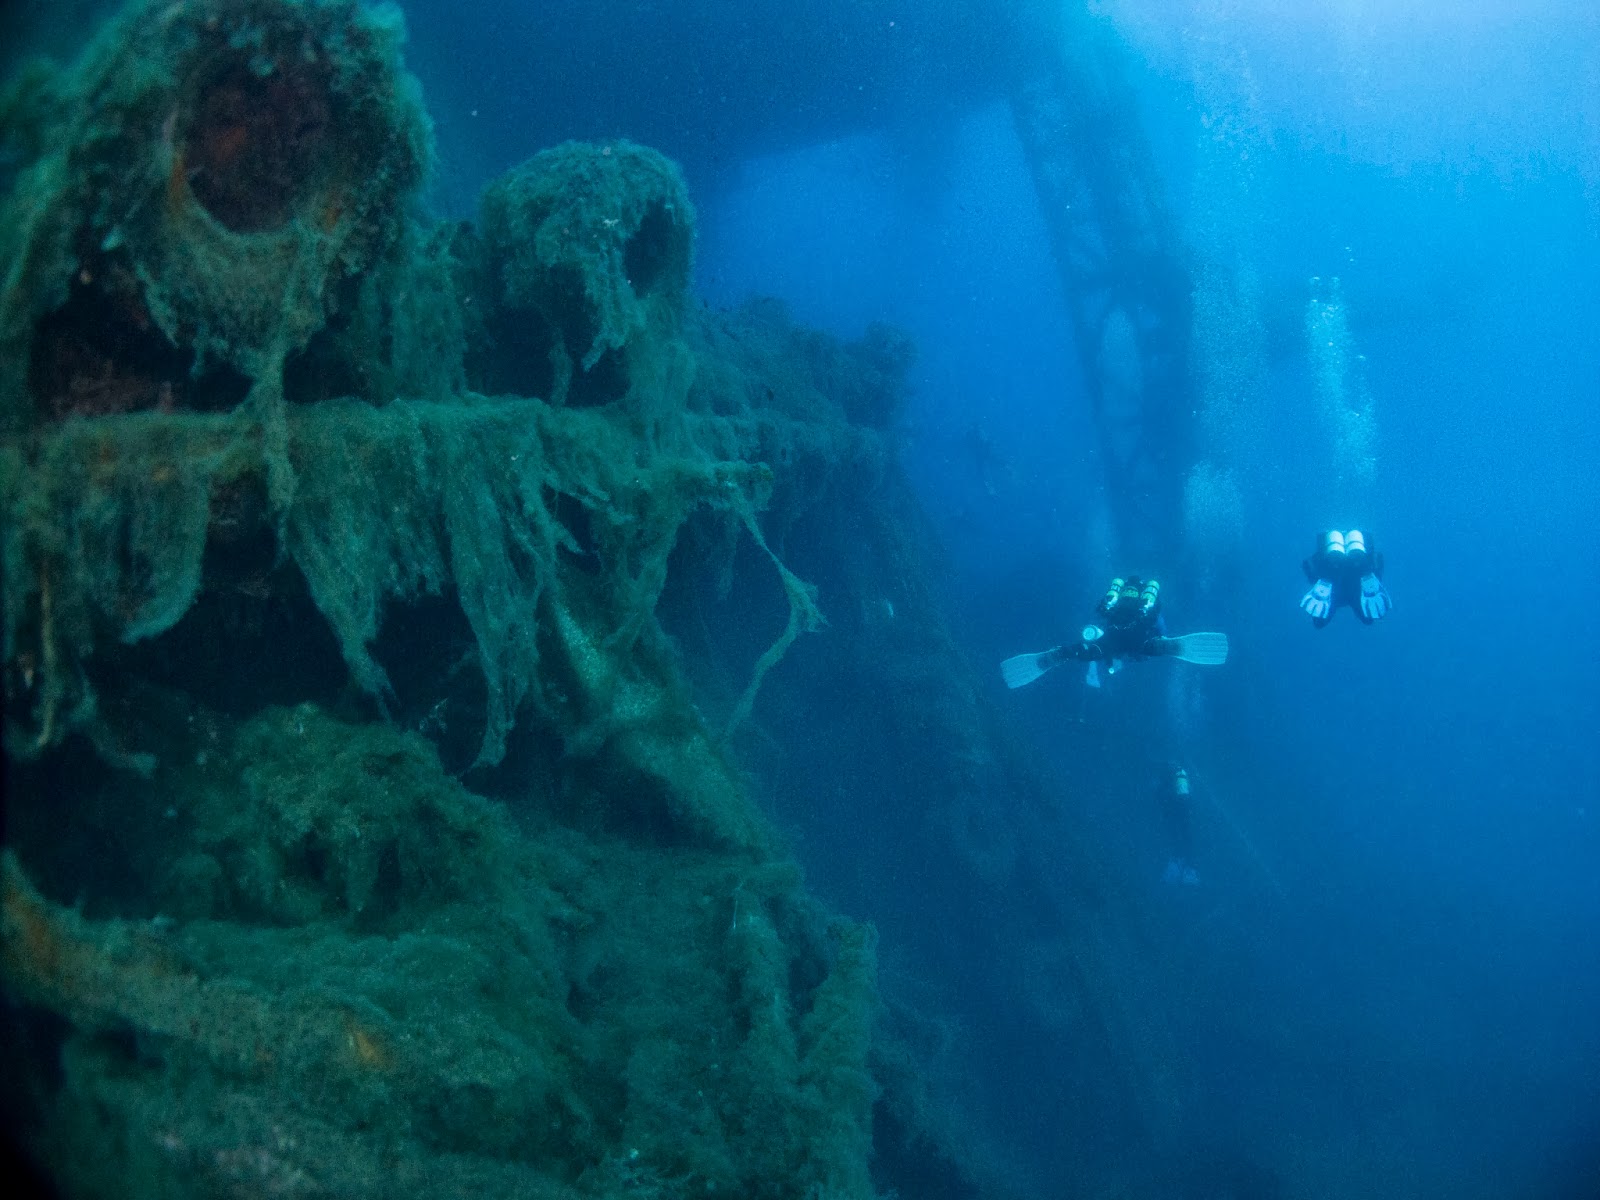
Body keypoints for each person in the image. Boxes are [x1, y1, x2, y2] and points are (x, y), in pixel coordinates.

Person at [1001, 575, 1228, 689]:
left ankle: (1060, 654)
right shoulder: (1146, 606)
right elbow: (1159, 626)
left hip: (1111, 639)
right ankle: (1167, 647)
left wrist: (1105, 652)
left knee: (1090, 651)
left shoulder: (1116, 600)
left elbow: (1100, 616)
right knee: (1151, 646)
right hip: (1139, 639)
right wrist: (1157, 641)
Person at [1300, 529, 1391, 627]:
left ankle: (1345, 567)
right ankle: (1363, 569)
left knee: (1319, 623)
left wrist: (1316, 577)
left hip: (1336, 581)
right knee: (1368, 619)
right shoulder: (1353, 598)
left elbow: (1308, 566)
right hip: (1354, 582)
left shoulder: (1335, 599)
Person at [1158, 764, 1200, 887]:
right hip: (1184, 808)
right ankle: (1189, 870)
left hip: (1175, 808)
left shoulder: (1169, 773)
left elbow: (1162, 796)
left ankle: (1178, 866)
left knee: (1176, 835)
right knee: (1186, 835)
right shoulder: (1181, 774)